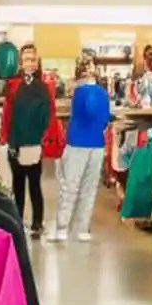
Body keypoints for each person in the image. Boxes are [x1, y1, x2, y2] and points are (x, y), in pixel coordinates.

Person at [0, 43, 60, 238]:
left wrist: (46, 138)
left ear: (37, 62)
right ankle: (17, 221)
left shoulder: (44, 87)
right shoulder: (13, 86)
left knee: (34, 184)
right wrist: (5, 136)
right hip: (16, 141)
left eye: (33, 60)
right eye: (26, 59)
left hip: (35, 142)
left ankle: (37, 223)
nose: (29, 63)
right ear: (20, 62)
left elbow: (49, 114)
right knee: (18, 185)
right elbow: (7, 113)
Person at [50, 59, 112, 242]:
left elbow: (94, 112)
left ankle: (71, 226)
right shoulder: (90, 92)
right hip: (90, 143)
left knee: (74, 186)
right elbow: (96, 113)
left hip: (82, 143)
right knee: (81, 187)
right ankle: (73, 227)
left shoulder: (82, 92)